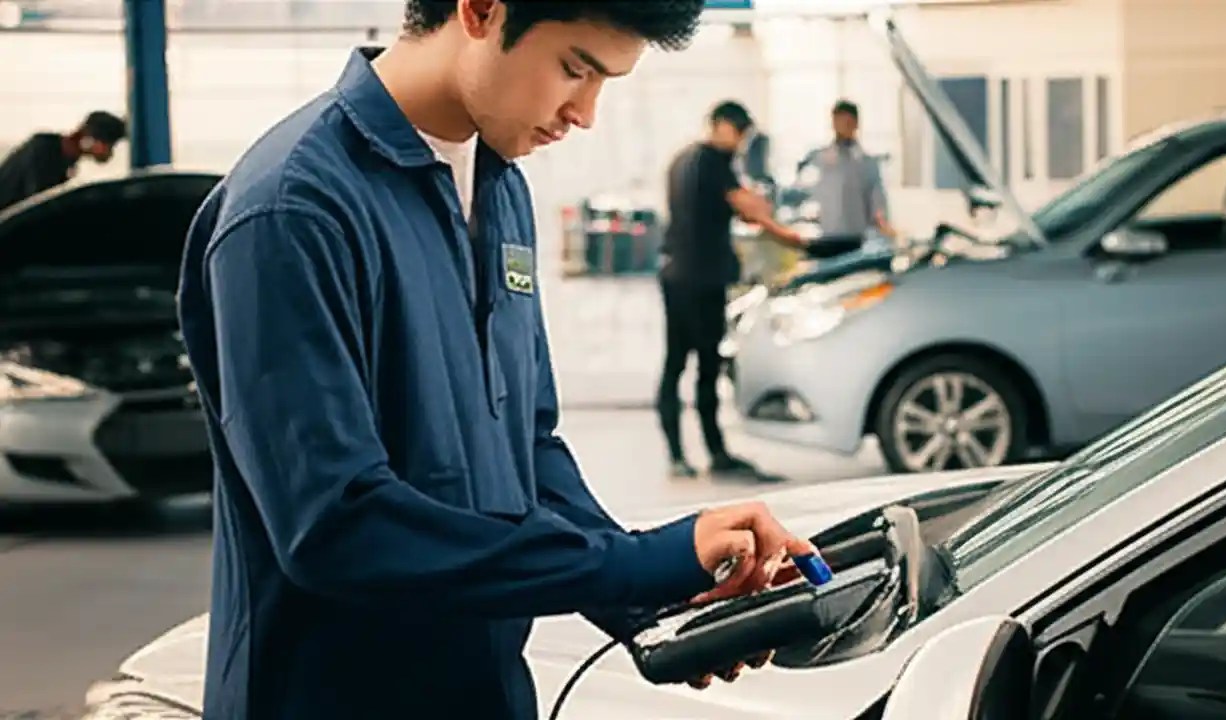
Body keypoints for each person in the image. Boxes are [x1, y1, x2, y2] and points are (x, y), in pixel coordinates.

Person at [175, 2, 817, 718]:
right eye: (575, 69)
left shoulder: (499, 184)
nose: (585, 115)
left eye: (607, 82)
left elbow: (527, 452)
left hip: (484, 693)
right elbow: (337, 528)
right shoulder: (293, 211)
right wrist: (636, 563)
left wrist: (656, 598)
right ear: (480, 10)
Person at [657, 101, 807, 480]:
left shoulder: (682, 159)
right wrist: (792, 237)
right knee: (705, 365)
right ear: (720, 125)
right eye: (738, 132)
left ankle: (683, 454)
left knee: (677, 364)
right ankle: (713, 453)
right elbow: (748, 207)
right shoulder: (713, 161)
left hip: (677, 273)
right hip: (700, 278)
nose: (741, 141)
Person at [797, 99, 897, 253]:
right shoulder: (819, 159)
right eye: (838, 122)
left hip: (855, 239)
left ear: (856, 124)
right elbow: (804, 194)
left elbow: (877, 204)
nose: (842, 127)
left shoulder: (866, 164)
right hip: (825, 237)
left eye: (847, 122)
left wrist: (887, 230)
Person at [0, 110, 126, 211]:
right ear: (90, 139)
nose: (109, 152)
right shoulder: (44, 151)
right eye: (108, 144)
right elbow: (36, 205)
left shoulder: (62, 159)